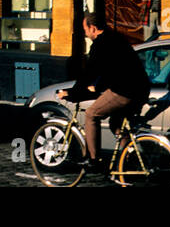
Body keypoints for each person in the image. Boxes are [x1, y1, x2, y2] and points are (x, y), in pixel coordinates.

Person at [59, 11, 151, 172]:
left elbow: (89, 74)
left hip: (125, 90)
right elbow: (112, 69)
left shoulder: (100, 45)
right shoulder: (117, 38)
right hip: (140, 89)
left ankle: (93, 160)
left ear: (93, 28)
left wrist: (72, 93)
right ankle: (129, 158)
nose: (85, 34)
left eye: (85, 30)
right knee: (116, 123)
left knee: (91, 114)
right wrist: (97, 87)